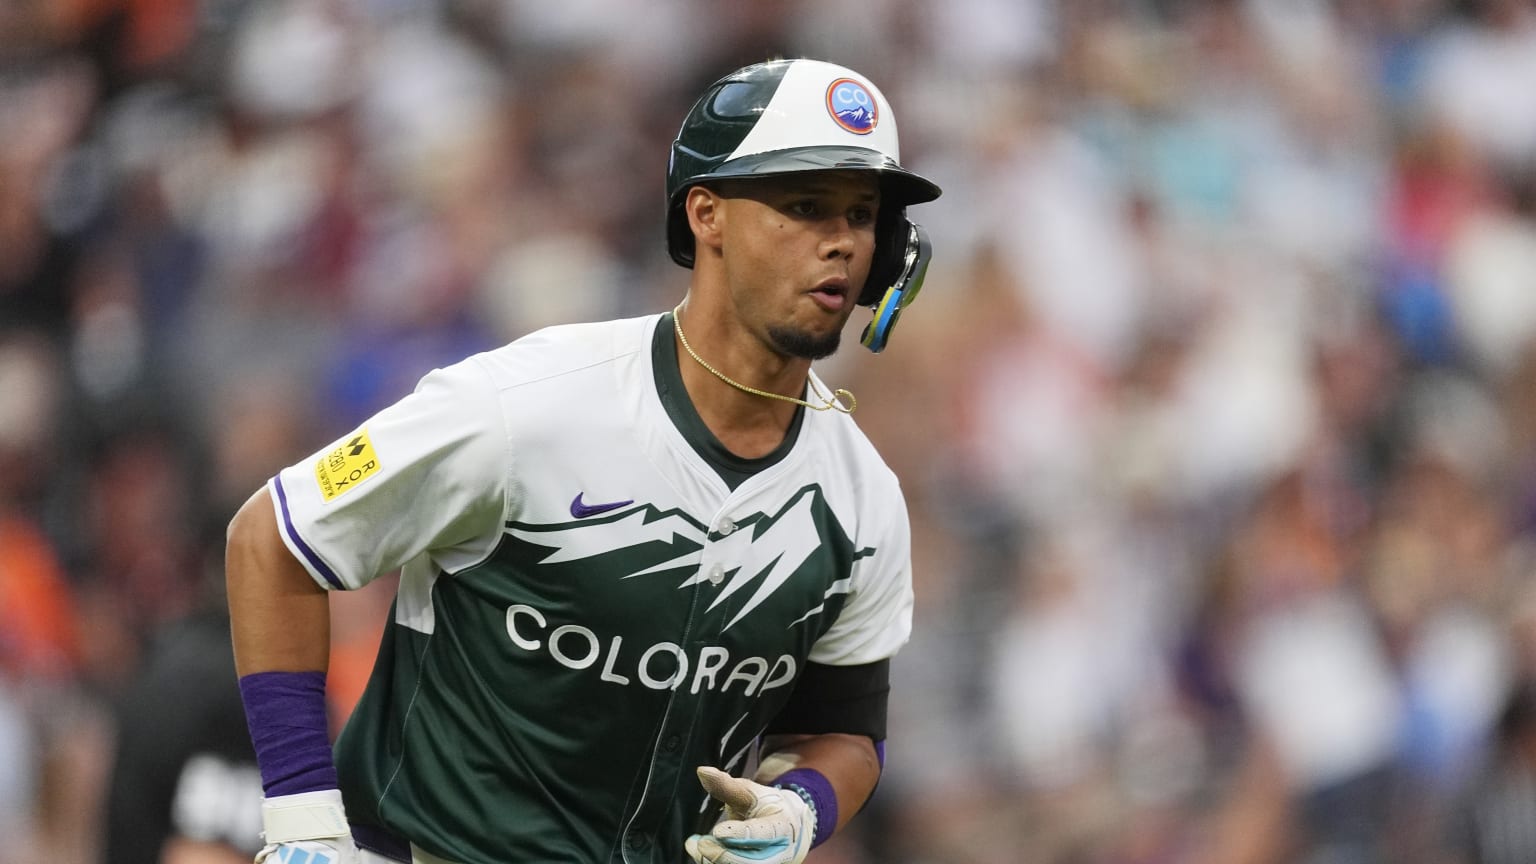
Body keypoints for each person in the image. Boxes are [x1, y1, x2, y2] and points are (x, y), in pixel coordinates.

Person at [225, 57, 941, 864]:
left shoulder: (863, 500)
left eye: (861, 215)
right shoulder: (525, 402)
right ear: (706, 215)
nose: (841, 243)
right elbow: (274, 537)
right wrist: (300, 821)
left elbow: (844, 731)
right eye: (806, 207)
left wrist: (800, 808)